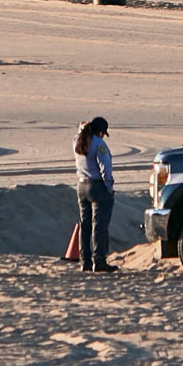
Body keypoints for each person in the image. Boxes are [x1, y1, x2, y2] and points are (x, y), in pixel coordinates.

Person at [74, 115, 117, 273]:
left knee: (84, 225)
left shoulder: (77, 140)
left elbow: (79, 132)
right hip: (97, 187)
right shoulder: (99, 144)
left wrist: (81, 127)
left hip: (81, 186)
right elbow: (105, 167)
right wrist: (109, 187)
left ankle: (84, 261)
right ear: (101, 132)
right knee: (99, 226)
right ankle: (99, 260)